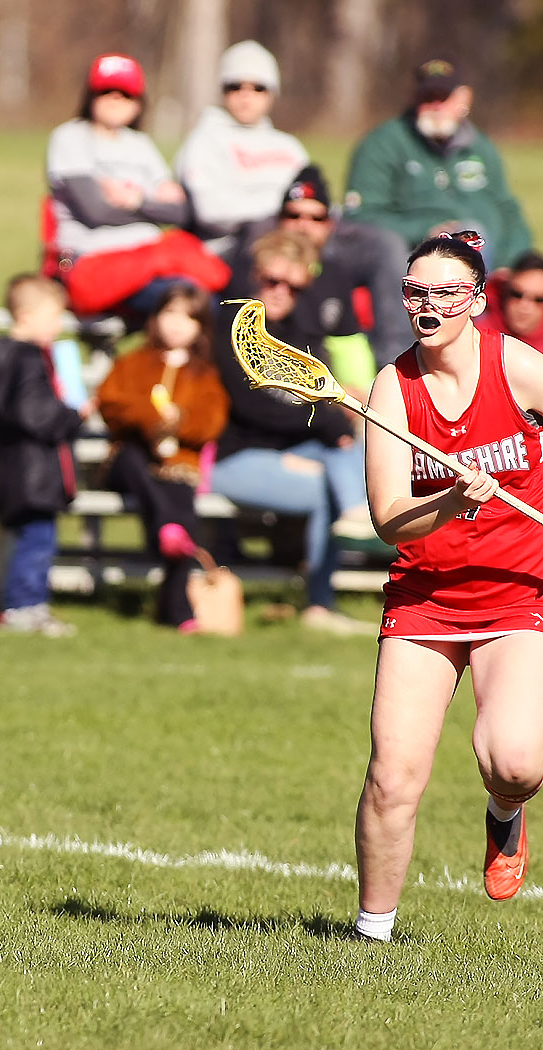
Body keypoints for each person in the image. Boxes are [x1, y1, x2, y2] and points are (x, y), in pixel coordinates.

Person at [353, 231, 543, 942]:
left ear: (476, 299)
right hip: (425, 597)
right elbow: (389, 519)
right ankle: (371, 938)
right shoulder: (391, 388)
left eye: (445, 292)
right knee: (393, 779)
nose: (427, 306)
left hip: (518, 590)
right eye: (415, 292)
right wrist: (451, 503)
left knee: (518, 761)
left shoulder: (520, 369)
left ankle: (504, 813)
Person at [212, 229, 376, 635]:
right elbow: (252, 408)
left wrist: (333, 419)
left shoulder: (300, 334)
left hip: (295, 451)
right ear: (254, 276)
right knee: (329, 481)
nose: (281, 292)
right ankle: (320, 602)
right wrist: (329, 421)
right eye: (272, 281)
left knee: (345, 449)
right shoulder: (233, 331)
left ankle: (359, 513)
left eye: (294, 286)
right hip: (236, 457)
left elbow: (316, 404)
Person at [45, 53, 230, 325]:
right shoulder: (70, 138)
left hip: (151, 263)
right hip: (95, 264)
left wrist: (135, 201)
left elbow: (181, 213)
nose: (115, 99)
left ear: (138, 103)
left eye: (126, 93)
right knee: (190, 303)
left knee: (222, 297)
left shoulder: (140, 145)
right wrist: (154, 206)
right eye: (106, 91)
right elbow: (95, 211)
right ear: (90, 96)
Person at [96, 284, 230, 630]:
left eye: (187, 316)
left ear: (201, 326)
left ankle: (176, 609)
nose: (176, 324)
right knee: (135, 463)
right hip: (131, 459)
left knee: (182, 516)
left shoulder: (206, 375)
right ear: (154, 318)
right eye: (169, 313)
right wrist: (152, 420)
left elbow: (211, 421)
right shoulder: (133, 362)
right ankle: (165, 529)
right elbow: (111, 403)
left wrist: (180, 422)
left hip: (179, 465)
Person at [0, 275, 94, 637]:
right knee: (37, 544)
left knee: (19, 541)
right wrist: (74, 415)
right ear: (27, 315)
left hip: (13, 471)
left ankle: (12, 604)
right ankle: (24, 608)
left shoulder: (3, 358)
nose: (59, 325)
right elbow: (35, 414)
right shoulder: (28, 358)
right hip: (34, 475)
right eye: (54, 315)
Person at [343, 59, 532, 270]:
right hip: (418, 261)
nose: (436, 106)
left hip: (489, 263)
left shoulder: (482, 149)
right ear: (413, 98)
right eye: (428, 97)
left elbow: (508, 212)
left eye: (443, 97)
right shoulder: (382, 144)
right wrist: (426, 230)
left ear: (465, 99)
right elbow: (360, 216)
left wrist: (513, 265)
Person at [173, 40, 309, 263]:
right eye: (236, 86)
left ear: (271, 92)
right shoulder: (204, 140)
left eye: (258, 87)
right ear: (223, 90)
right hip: (229, 251)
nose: (246, 96)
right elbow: (212, 212)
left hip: (293, 244)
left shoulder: (289, 147)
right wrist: (284, 204)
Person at [274, 165, 414, 376]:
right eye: (294, 216)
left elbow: (349, 348)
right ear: (279, 219)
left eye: (316, 218)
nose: (303, 226)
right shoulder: (252, 266)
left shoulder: (333, 275)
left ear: (330, 224)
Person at [478, 250, 543, 352]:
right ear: (505, 291)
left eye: (538, 299)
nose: (524, 306)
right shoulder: (476, 331)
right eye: (517, 294)